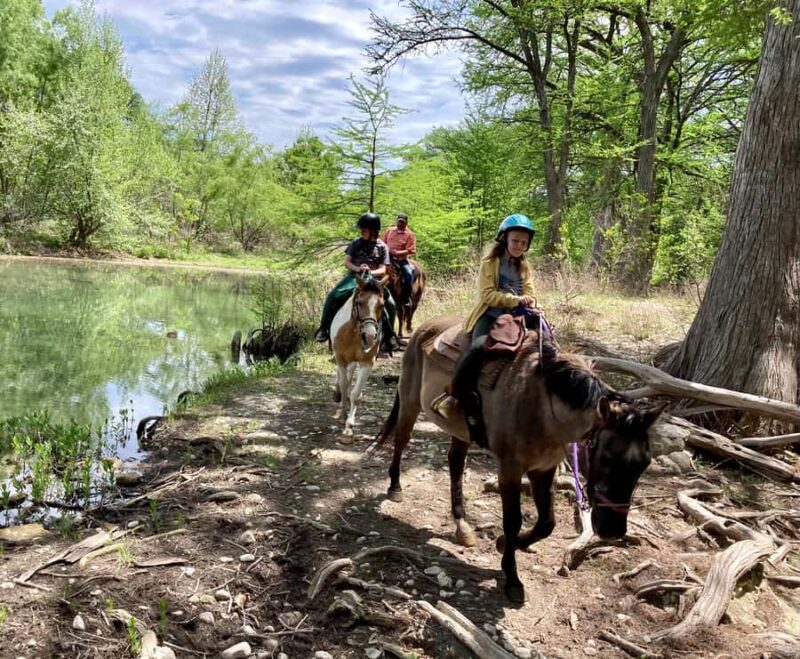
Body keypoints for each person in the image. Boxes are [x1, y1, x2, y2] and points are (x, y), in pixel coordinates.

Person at [431, 214, 537, 425]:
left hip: (517, 318)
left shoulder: (525, 267)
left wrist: (532, 304)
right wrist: (515, 300)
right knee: (479, 347)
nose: (519, 245)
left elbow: (531, 293)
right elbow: (487, 295)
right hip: (490, 315)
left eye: (524, 242)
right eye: (515, 240)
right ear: (504, 238)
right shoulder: (490, 263)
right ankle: (453, 396)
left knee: (546, 344)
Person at [314, 212, 401, 353]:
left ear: (373, 231)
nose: (361, 231)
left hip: (374, 280)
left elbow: (383, 269)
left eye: (364, 229)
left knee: (390, 304)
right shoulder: (356, 243)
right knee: (333, 295)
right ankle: (324, 328)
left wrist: (370, 272)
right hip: (354, 277)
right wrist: (358, 269)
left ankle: (389, 337)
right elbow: (347, 262)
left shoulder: (382, 247)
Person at [383, 213, 417, 307]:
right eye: (399, 222)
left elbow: (411, 250)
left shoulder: (409, 234)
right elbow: (383, 243)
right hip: (387, 257)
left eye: (402, 222)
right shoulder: (389, 231)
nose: (400, 224)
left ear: (406, 223)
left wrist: (398, 253)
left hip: (401, 259)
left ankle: (407, 297)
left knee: (408, 273)